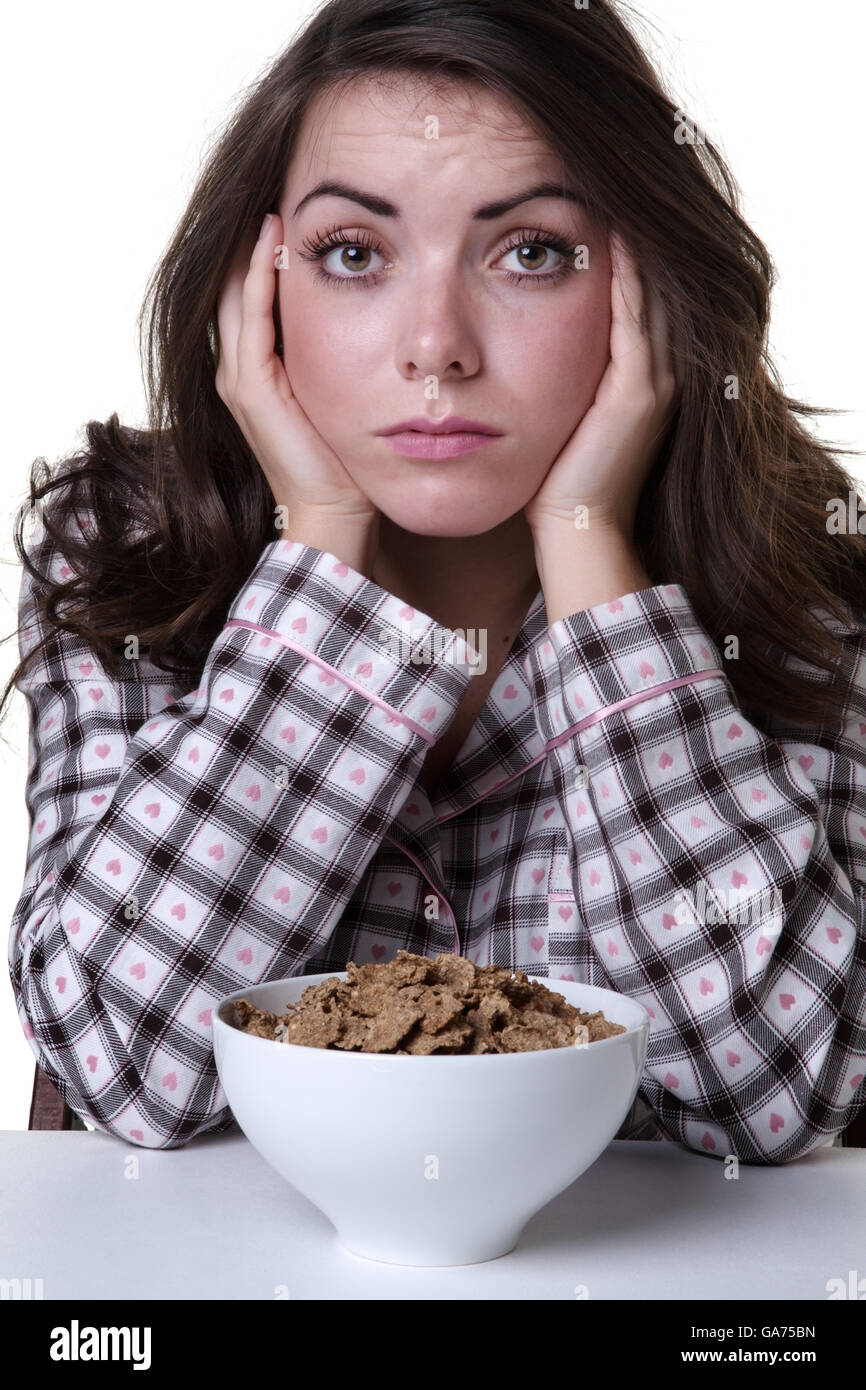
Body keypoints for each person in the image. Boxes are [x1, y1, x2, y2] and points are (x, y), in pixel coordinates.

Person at [5, 0, 866, 1158]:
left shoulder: (801, 582)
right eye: (353, 254)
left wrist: (586, 544)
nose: (436, 345)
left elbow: (773, 1094)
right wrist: (319, 540)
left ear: (647, 290)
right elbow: (123, 1061)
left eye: (530, 252)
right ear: (250, 290)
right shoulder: (124, 552)